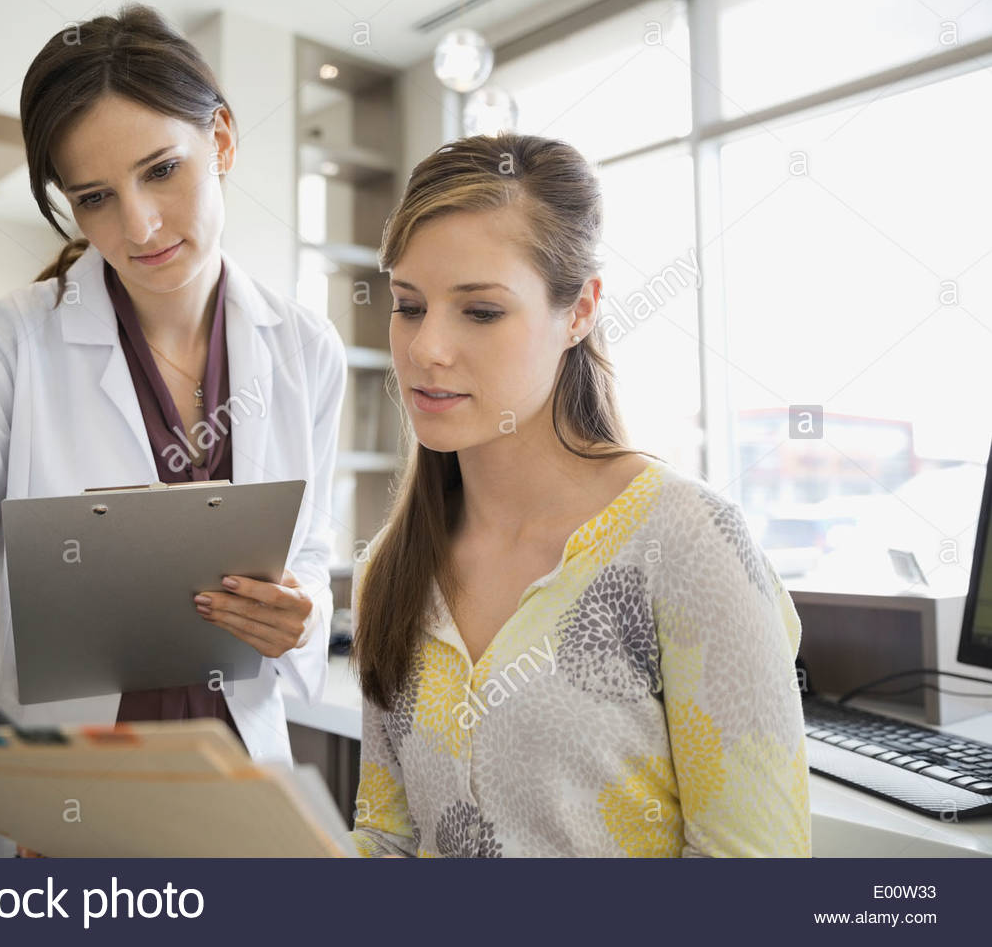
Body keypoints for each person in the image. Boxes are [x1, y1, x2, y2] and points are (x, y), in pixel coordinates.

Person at [0, 4, 346, 857]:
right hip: (52, 810)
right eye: (95, 198)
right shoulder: (5, 343)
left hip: (231, 791)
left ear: (220, 140)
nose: (138, 226)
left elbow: (310, 547)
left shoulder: (304, 347)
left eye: (162, 170)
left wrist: (300, 611)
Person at [347, 133, 810, 857]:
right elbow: (388, 839)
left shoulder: (687, 540)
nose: (425, 349)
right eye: (409, 306)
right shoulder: (390, 568)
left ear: (581, 310)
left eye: (481, 311)